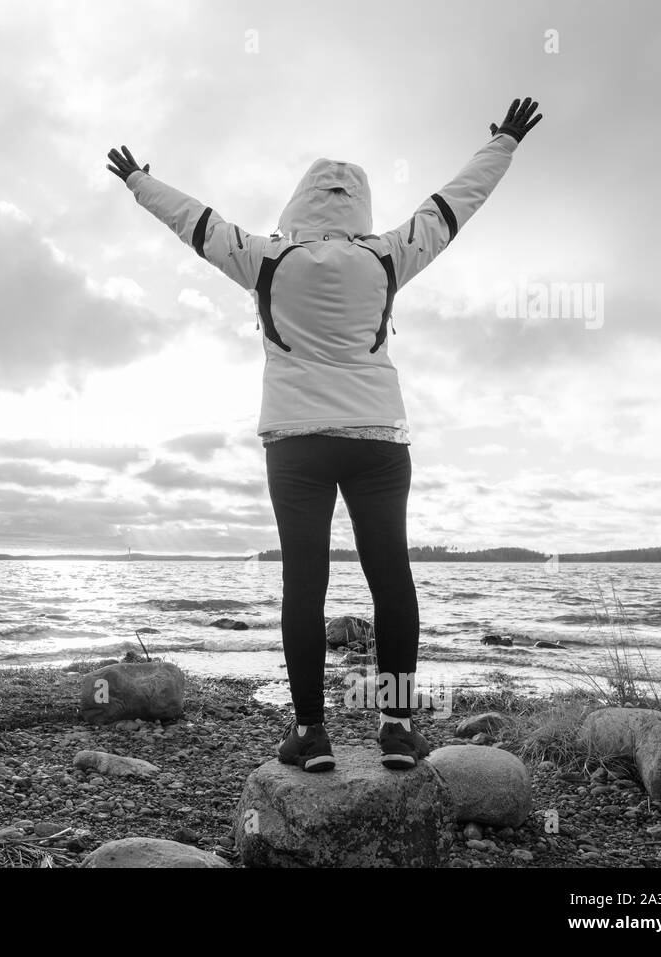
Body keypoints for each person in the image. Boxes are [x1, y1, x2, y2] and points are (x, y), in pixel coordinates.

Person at [107, 97, 543, 771]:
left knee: (303, 583)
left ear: (298, 203)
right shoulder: (389, 254)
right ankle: (397, 729)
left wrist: (139, 181)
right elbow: (456, 205)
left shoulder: (265, 258)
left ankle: (311, 736)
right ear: (360, 205)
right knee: (391, 577)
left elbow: (194, 223)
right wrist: (504, 143)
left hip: (296, 441)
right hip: (377, 439)